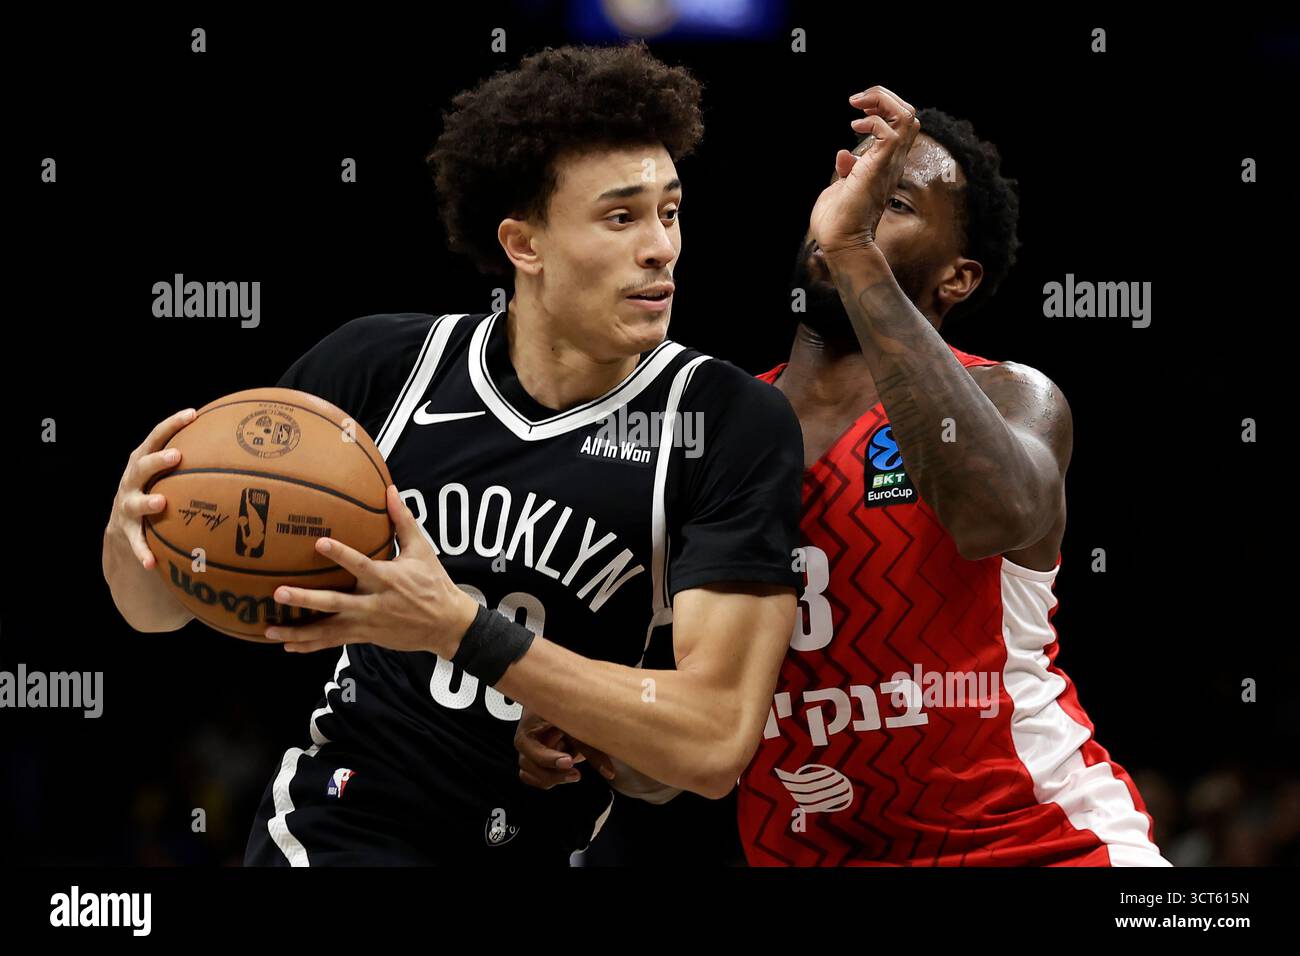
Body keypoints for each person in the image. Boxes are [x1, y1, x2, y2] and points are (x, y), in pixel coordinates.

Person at [101, 42, 803, 866]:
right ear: (524, 244)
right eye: (621, 217)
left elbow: (714, 742)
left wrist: (464, 632)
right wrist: (133, 534)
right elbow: (158, 610)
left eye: (671, 210)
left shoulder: (724, 421)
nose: (661, 247)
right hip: (335, 831)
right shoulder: (379, 370)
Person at [520, 87, 1169, 867]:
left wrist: (853, 248)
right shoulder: (702, 439)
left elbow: (994, 517)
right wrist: (589, 736)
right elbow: (682, 759)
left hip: (1038, 843)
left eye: (890, 201)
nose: (849, 207)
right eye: (848, 189)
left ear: (956, 279)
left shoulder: (1011, 395)